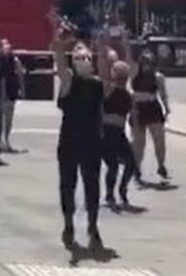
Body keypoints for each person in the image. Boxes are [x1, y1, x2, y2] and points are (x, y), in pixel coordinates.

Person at [52, 17, 106, 250]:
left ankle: (93, 225)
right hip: (70, 140)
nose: (83, 60)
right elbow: (61, 64)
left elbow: (104, 67)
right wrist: (62, 45)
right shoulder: (69, 81)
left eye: (86, 57)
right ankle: (68, 223)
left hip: (92, 140)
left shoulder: (96, 83)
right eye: (79, 58)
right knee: (68, 184)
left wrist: (102, 46)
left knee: (92, 185)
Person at [130, 51, 170, 184]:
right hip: (138, 109)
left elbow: (163, 94)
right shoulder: (134, 75)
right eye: (144, 63)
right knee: (138, 143)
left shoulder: (158, 77)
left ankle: (161, 165)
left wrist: (166, 108)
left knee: (159, 140)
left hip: (152, 108)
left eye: (149, 63)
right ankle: (136, 168)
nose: (146, 66)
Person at [102, 61, 136, 207]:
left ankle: (122, 189)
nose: (122, 79)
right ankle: (110, 194)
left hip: (119, 133)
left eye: (124, 76)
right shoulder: (108, 90)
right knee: (113, 165)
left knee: (131, 163)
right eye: (119, 75)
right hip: (106, 132)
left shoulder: (129, 96)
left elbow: (132, 119)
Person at [0, 40, 24, 153]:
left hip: (10, 91)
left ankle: (5, 139)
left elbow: (20, 75)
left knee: (8, 117)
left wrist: (21, 89)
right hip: (1, 92)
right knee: (0, 118)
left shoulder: (14, 60)